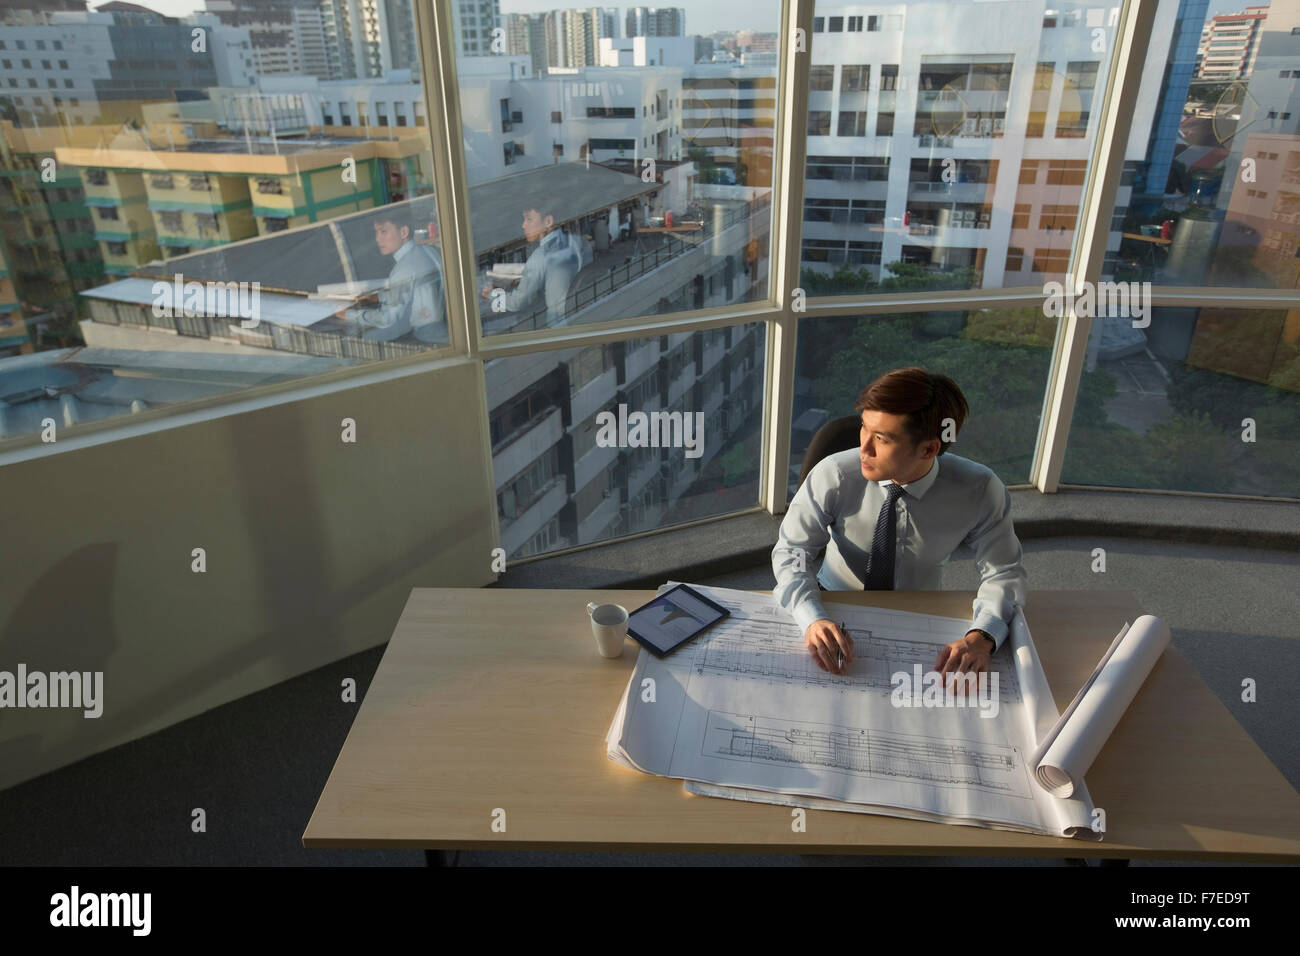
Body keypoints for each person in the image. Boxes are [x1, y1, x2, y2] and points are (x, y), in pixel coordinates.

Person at [772, 366, 1027, 683]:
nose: (863, 448)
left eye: (881, 439)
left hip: (922, 614)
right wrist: (811, 617)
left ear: (930, 448)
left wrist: (983, 635)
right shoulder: (834, 474)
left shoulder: (980, 490)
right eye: (864, 428)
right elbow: (791, 550)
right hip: (833, 600)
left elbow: (1004, 571)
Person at [345, 206, 446, 344]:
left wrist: (347, 315)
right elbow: (416, 293)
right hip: (444, 329)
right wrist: (378, 296)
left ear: (404, 232)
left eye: (383, 232)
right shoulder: (428, 249)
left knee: (362, 338)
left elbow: (387, 320)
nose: (377, 239)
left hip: (427, 338)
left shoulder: (403, 268)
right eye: (376, 233)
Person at [480, 204, 588, 325]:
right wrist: (524, 273)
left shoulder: (539, 257)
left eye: (529, 219)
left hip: (555, 325)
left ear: (548, 221)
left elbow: (518, 303)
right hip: (574, 317)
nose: (523, 225)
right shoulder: (574, 241)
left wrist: (491, 295)